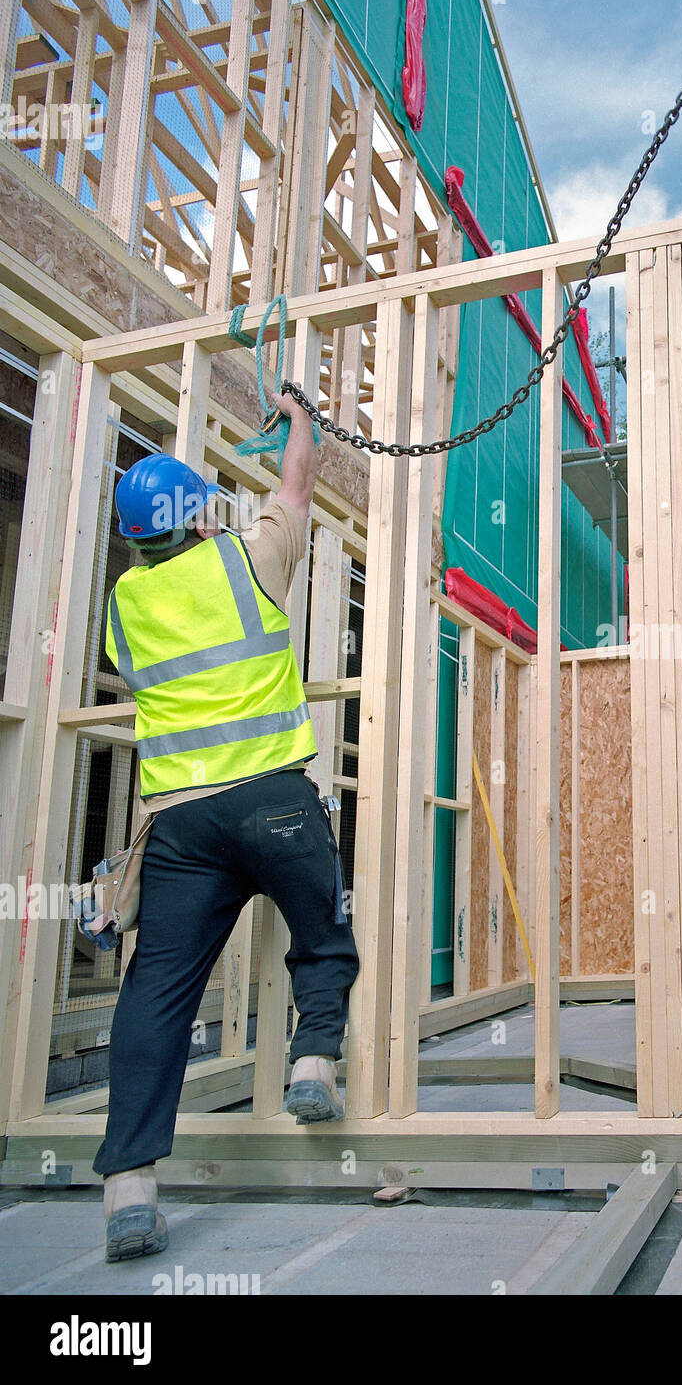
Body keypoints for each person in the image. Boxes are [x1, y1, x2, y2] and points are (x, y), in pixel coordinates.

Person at [94, 395, 358, 1263]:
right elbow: (297, 480)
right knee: (320, 936)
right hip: (275, 802)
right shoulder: (250, 560)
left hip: (180, 825)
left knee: (156, 993)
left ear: (138, 539)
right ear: (200, 517)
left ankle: (130, 1189)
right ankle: (313, 1064)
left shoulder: (124, 607)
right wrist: (302, 421)